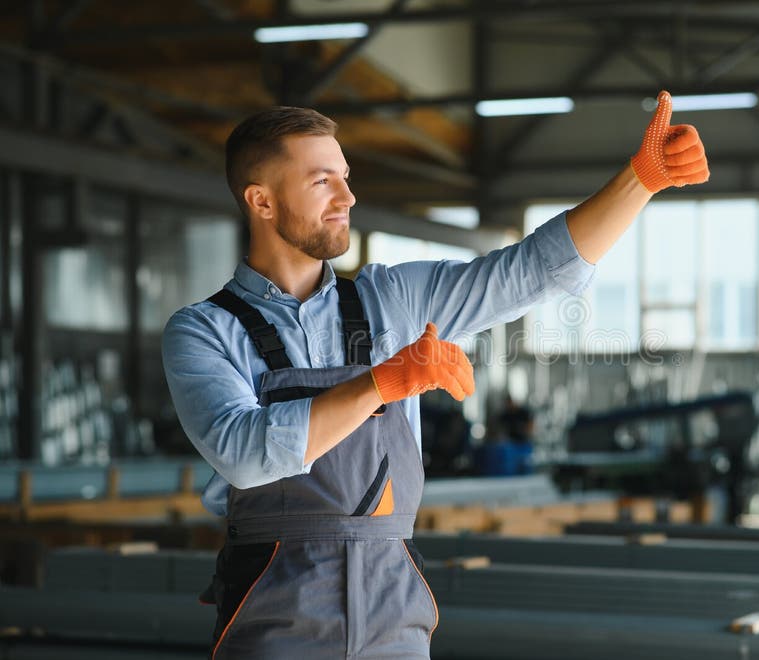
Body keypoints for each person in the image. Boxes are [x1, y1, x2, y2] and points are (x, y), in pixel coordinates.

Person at [161, 90, 708, 659]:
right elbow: (245, 453)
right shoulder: (202, 331)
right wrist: (382, 383)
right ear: (263, 202)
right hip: (277, 605)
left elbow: (531, 272)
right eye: (322, 181)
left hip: (392, 603)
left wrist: (640, 180)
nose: (348, 196)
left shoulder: (395, 299)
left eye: (345, 177)